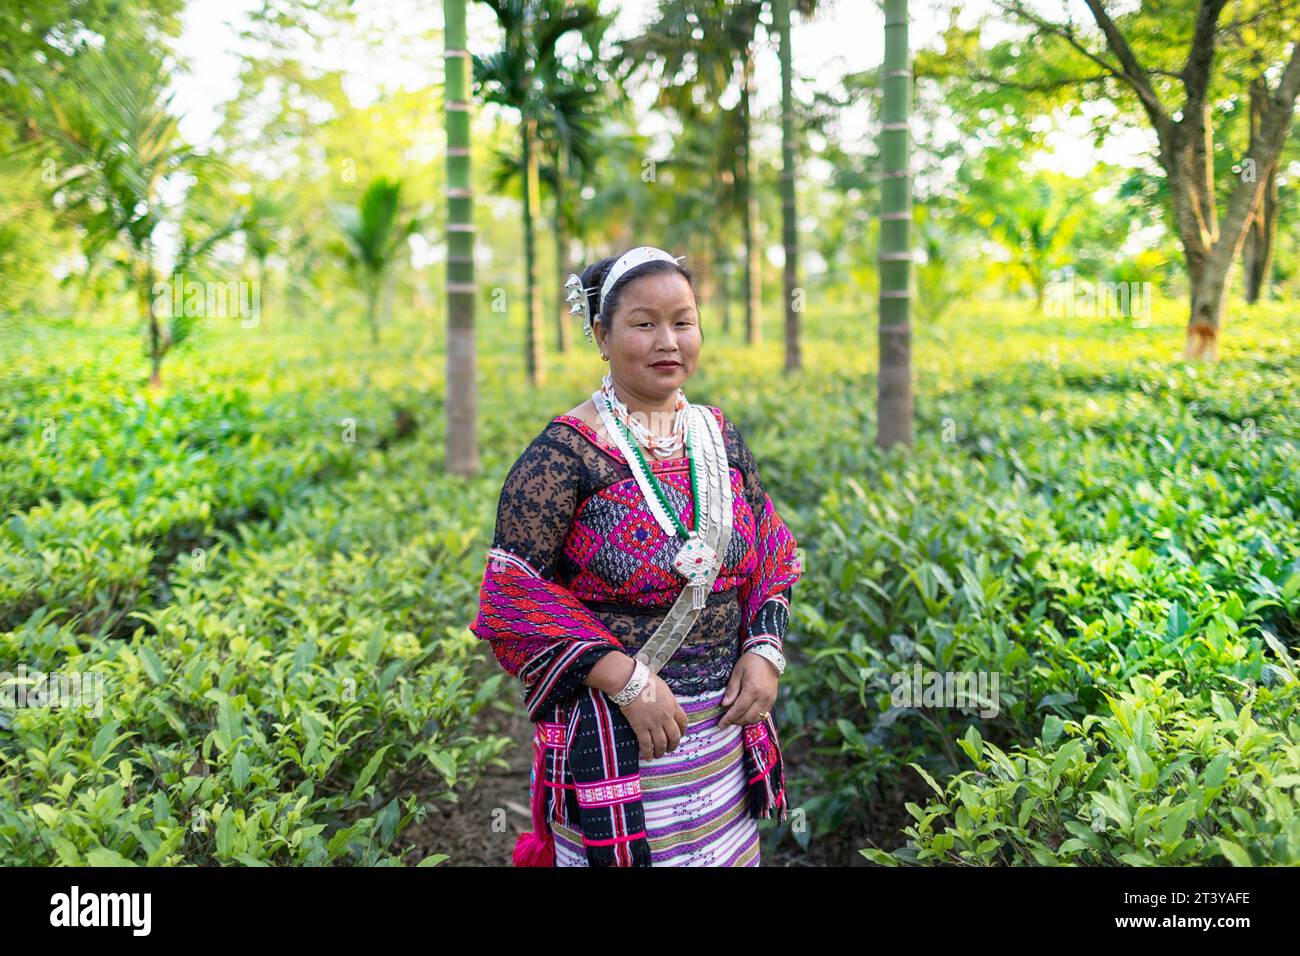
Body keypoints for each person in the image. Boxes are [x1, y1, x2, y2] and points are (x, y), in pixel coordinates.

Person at [469, 246, 802, 867]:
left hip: (723, 734)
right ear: (602, 335)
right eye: (643, 323)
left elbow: (774, 553)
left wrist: (765, 652)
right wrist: (627, 681)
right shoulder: (562, 456)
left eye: (683, 320)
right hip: (619, 736)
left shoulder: (720, 436)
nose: (667, 340)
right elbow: (510, 596)